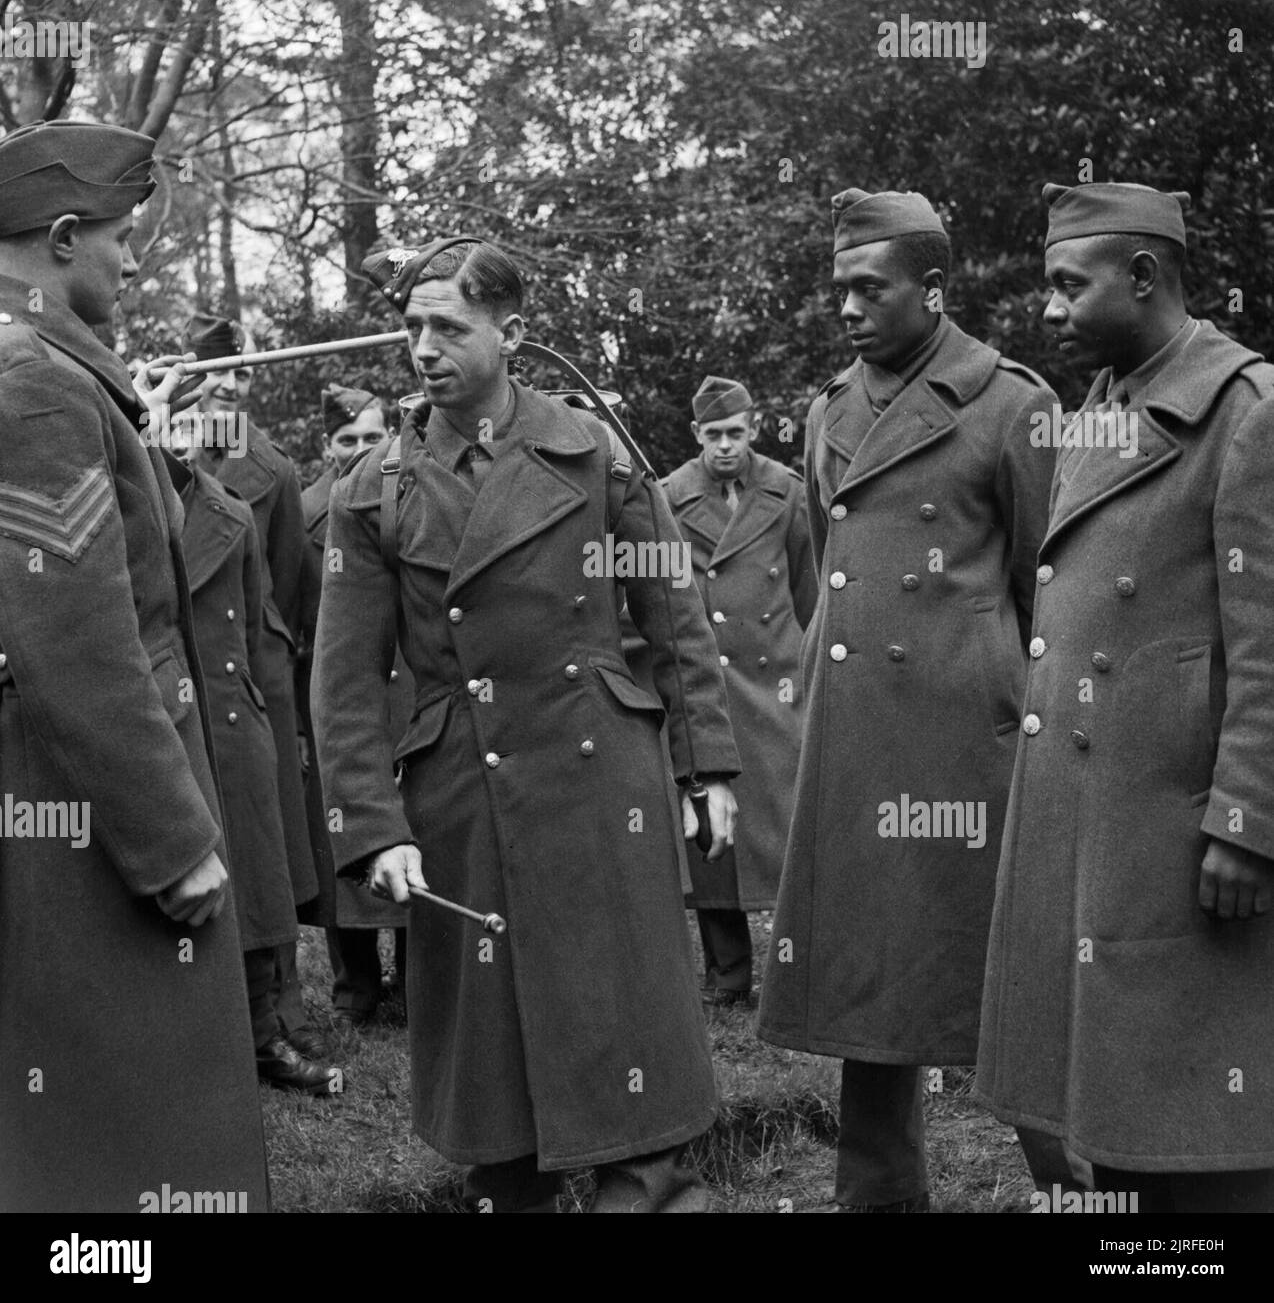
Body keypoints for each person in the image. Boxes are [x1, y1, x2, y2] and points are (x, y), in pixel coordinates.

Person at [313, 236, 740, 1212]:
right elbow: (342, 683)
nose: (423, 347)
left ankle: (645, 1189)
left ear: (511, 333)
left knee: (624, 1033)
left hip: (601, 783)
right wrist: (372, 826)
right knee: (494, 1077)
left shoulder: (590, 454)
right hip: (466, 794)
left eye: (448, 327)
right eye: (413, 326)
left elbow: (668, 608)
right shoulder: (373, 487)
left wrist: (702, 759)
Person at [757, 187, 1076, 1211]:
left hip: (968, 755)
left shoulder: (1011, 405)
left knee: (1013, 988)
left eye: (868, 287)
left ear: (931, 291)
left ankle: (1088, 1199)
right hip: (856, 749)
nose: (844, 307)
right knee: (869, 1000)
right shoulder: (827, 409)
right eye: (836, 286)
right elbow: (829, 573)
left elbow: (1048, 596)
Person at [978, 181, 1274, 1212]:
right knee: (1086, 1113)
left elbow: (1266, 636)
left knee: (1197, 1119)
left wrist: (1246, 816)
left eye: (1068, 284)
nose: (1049, 309)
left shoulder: (1246, 412)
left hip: (1175, 823)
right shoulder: (1097, 407)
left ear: (1141, 276)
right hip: (1080, 816)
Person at [0, 119, 268, 1210]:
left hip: (71, 803)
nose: (133, 258)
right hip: (91, 825)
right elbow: (75, 641)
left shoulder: (46, 370)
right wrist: (172, 842)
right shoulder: (39, 385)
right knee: (134, 1137)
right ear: (63, 237)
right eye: (122, 237)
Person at [172, 412, 342, 1093]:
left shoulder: (232, 512)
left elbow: (265, 624)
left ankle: (266, 1036)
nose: (185, 437)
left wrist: (280, 722)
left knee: (253, 872)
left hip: (233, 712)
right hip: (158, 713)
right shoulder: (116, 501)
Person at [187, 314, 325, 1057]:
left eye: (239, 376)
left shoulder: (272, 470)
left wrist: (293, 709)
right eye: (214, 376)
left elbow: (289, 593)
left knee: (268, 841)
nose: (227, 390)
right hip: (183, 667)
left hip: (253, 668)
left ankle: (285, 1009)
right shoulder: (149, 457)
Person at [662, 376, 815, 1005]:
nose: (725, 445)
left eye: (736, 432)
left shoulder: (787, 491)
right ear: (695, 435)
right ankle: (727, 977)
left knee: (786, 828)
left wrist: (809, 669)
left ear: (753, 427)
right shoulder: (668, 497)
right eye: (712, 434)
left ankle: (793, 973)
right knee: (712, 833)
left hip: (778, 681)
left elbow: (809, 590)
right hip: (713, 683)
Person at [298, 383, 408, 1027]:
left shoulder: (408, 494)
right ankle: (355, 985)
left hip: (409, 692)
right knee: (342, 830)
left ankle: (422, 978)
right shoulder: (309, 511)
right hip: (338, 696)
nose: (363, 450)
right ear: (325, 446)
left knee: (413, 826)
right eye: (348, 441)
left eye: (374, 438)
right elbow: (284, 619)